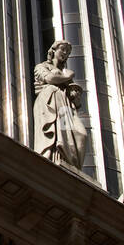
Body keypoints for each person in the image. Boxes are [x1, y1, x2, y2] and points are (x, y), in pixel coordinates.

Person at [33, 39, 89, 170]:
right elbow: (50, 79)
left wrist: (75, 97)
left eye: (68, 52)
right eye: (62, 49)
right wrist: (69, 76)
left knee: (81, 134)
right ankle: (55, 158)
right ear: (53, 50)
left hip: (65, 107)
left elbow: (75, 99)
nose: (65, 53)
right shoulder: (41, 67)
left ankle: (73, 166)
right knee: (58, 134)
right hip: (50, 101)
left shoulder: (66, 74)